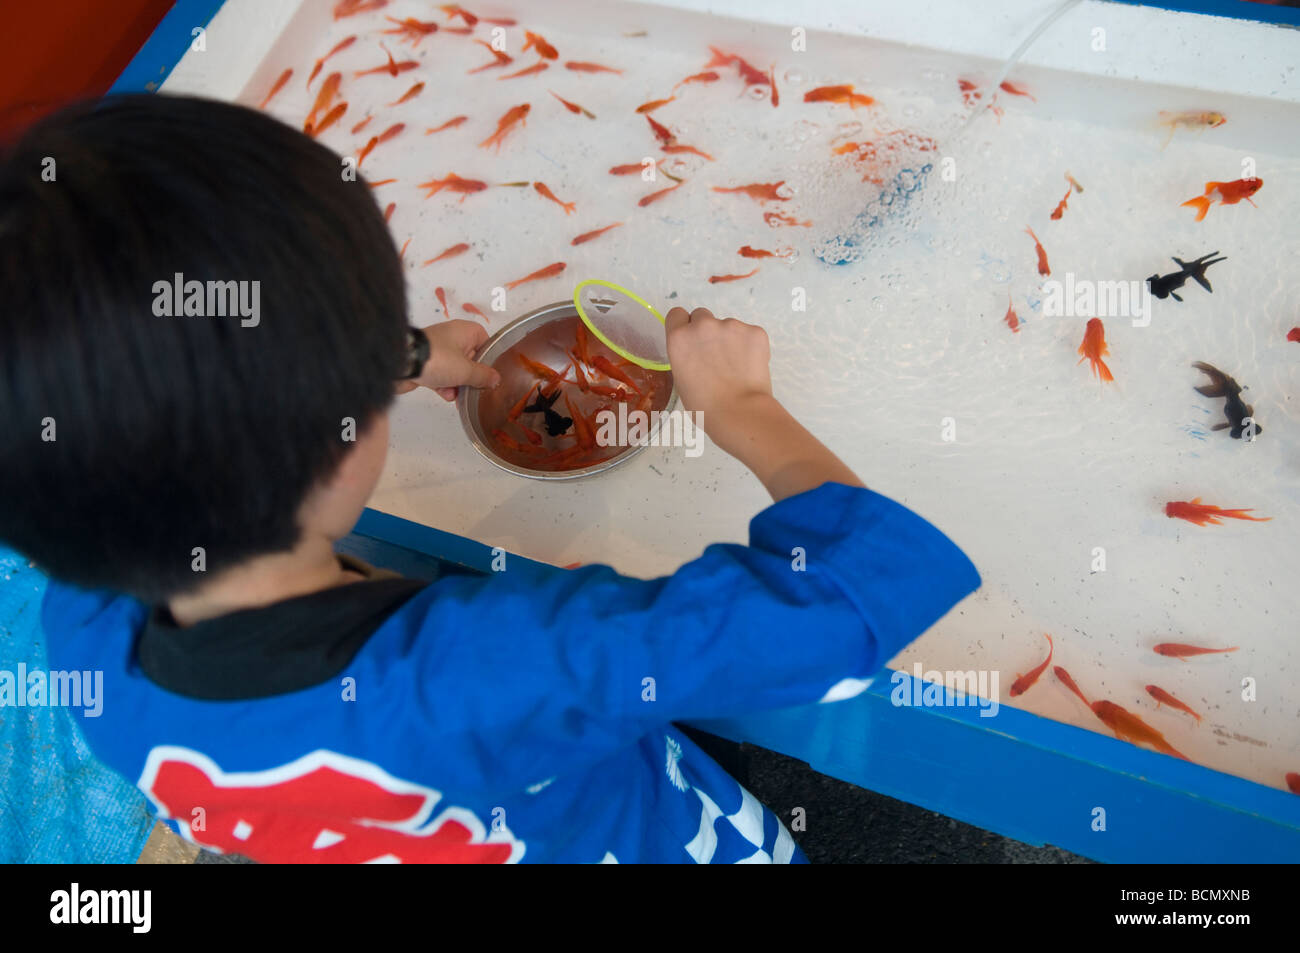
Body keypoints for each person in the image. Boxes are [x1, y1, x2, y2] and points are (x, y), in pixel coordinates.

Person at [0, 94, 980, 863]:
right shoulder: (509, 663)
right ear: (342, 444)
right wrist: (742, 410)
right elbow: (849, 603)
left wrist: (394, 353)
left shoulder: (88, 636)